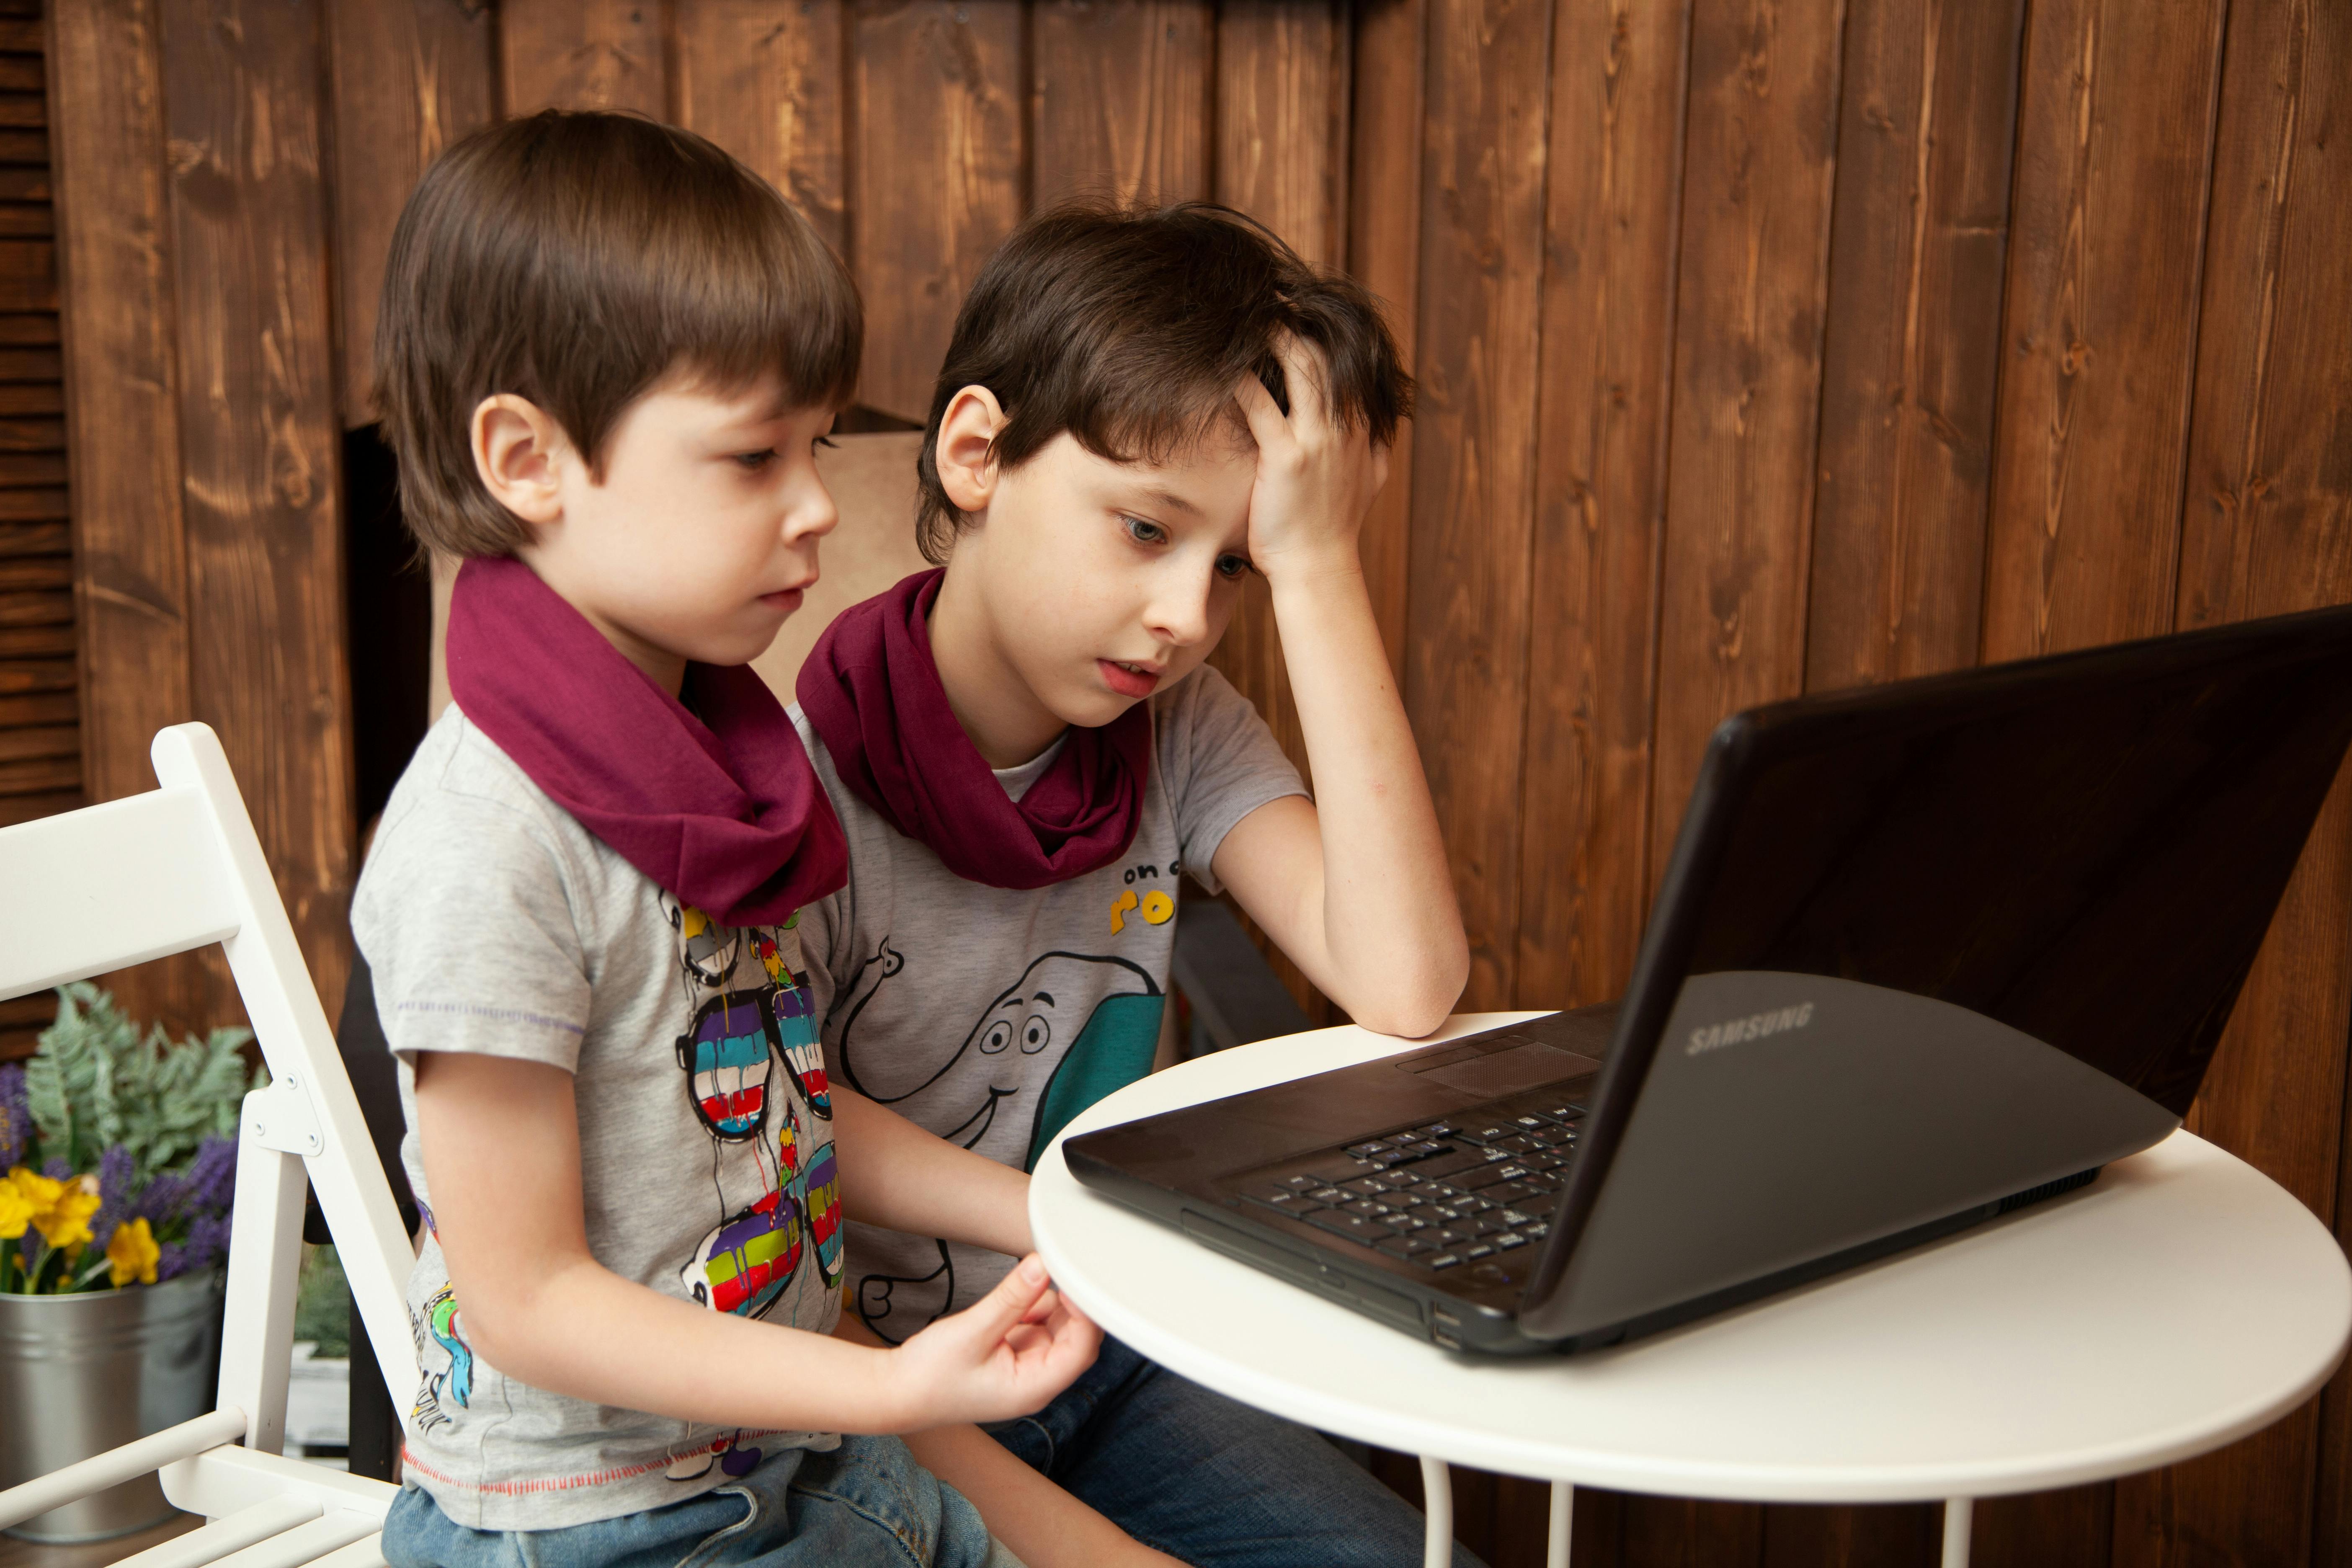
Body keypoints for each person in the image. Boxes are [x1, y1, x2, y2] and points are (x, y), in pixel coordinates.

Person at [354, 111, 1176, 1568]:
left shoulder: (716, 768)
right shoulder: (488, 843)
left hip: (786, 1463)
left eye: (816, 445)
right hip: (607, 1531)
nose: (817, 509)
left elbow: (780, 1102)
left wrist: (1057, 1212)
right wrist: (891, 1384)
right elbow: (525, 1296)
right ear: (527, 459)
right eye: (752, 459)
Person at [791, 200, 1477, 1566]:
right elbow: (791, 1139)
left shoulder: (1184, 731)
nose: (1185, 618)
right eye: (1144, 530)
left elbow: (1405, 982)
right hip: (863, 1388)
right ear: (978, 454)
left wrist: (1320, 564)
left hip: (1115, 1345)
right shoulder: (794, 786)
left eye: (1230, 566)